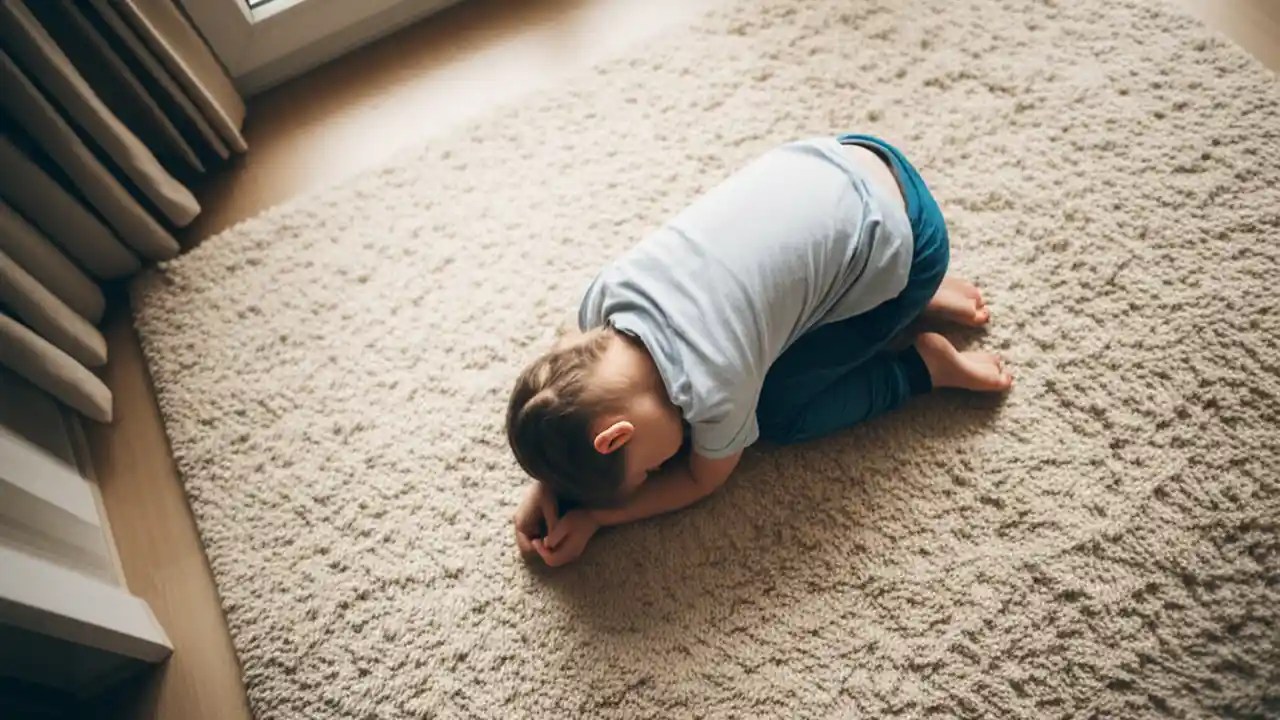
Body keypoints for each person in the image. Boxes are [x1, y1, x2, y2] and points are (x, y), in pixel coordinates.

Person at [506, 133, 1012, 567]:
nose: (660, 470)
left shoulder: (718, 387)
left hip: (911, 245)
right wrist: (554, 481)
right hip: (842, 157)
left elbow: (703, 479)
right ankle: (899, 296)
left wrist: (598, 514)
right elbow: (571, 394)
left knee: (779, 413)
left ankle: (921, 360)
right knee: (778, 308)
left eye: (647, 470)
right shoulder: (604, 297)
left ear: (617, 437)